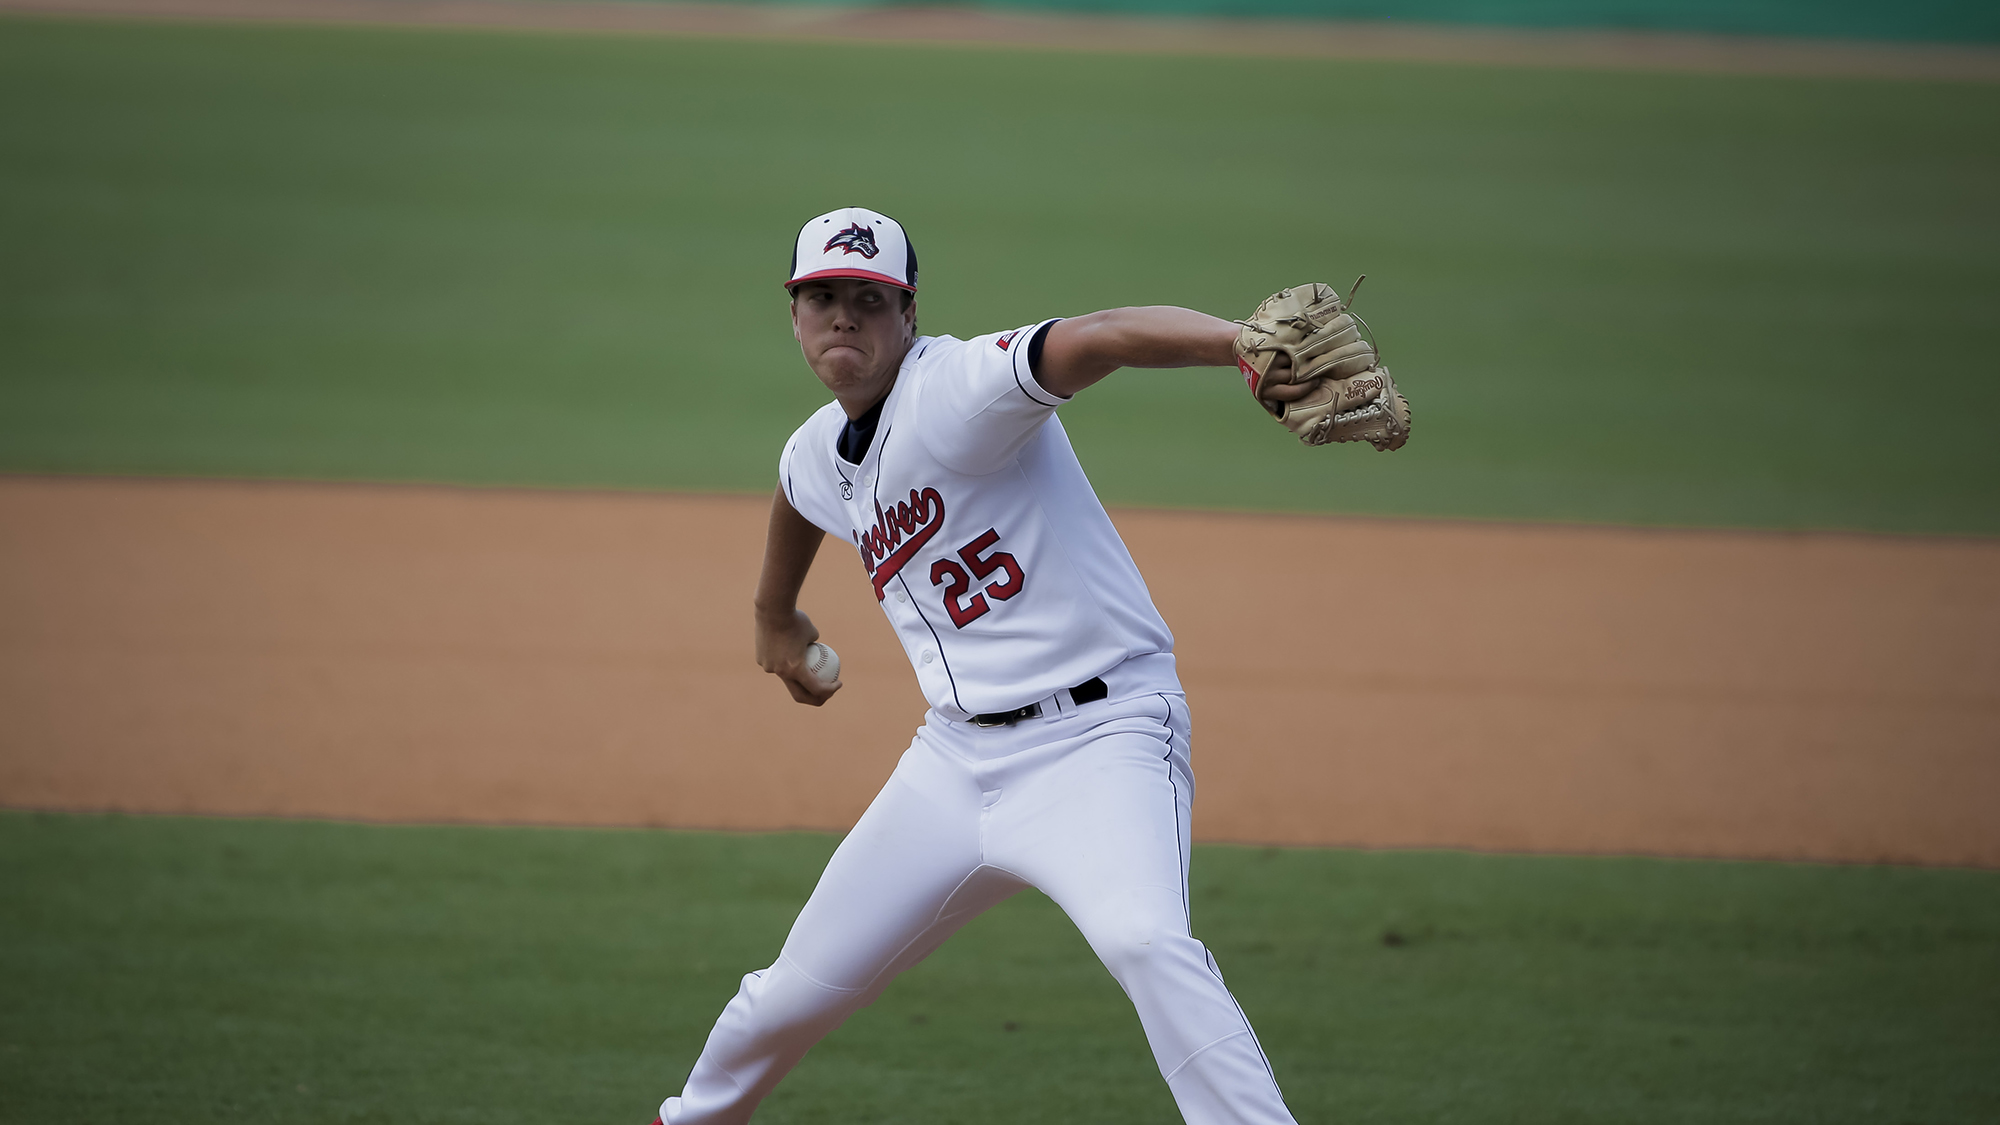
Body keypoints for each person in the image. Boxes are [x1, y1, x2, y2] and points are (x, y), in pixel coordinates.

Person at [653, 206, 1298, 1125]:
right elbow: (801, 491)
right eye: (824, 298)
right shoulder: (817, 447)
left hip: (1102, 736)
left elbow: (1101, 337)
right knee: (792, 991)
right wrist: (775, 613)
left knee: (1145, 939)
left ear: (907, 317)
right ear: (794, 316)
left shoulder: (955, 388)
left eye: (869, 301)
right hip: (953, 765)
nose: (845, 317)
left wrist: (1240, 344)